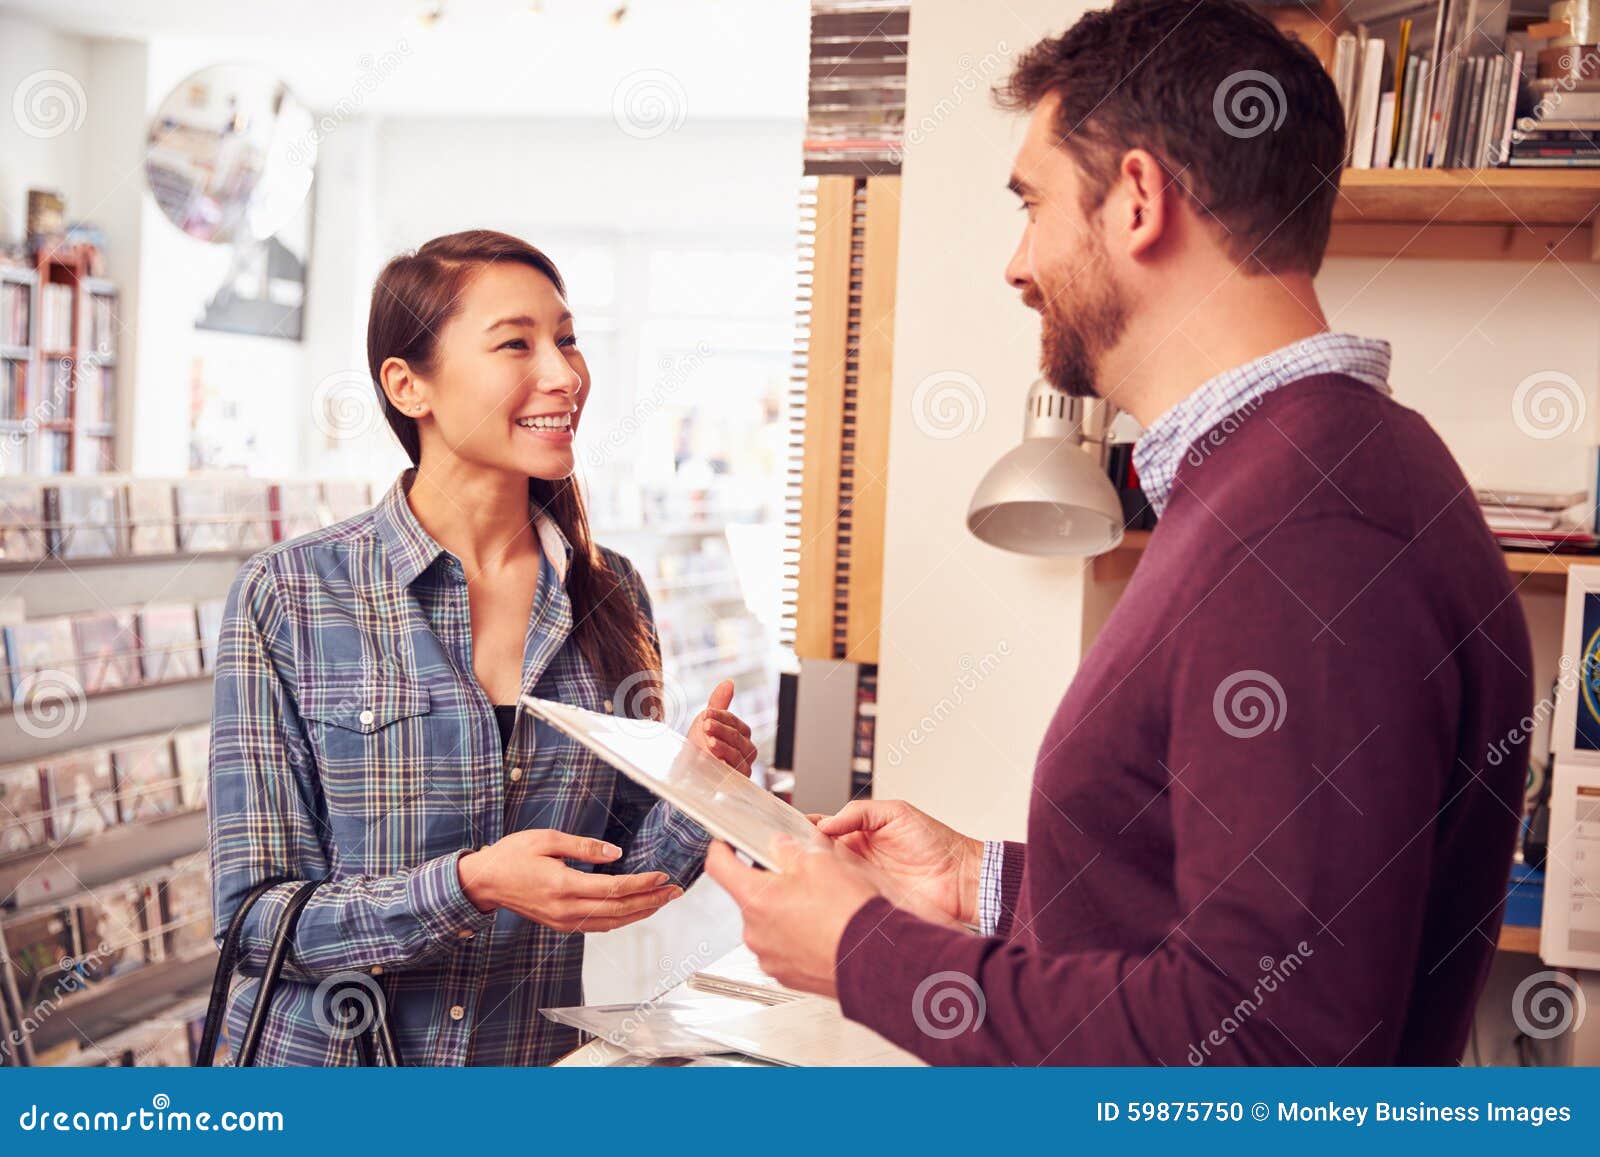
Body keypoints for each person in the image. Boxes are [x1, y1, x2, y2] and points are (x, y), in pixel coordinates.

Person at [707, 0, 1534, 1065]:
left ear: (1136, 198)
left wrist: (864, 952)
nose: (1016, 265)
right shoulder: (1299, 472)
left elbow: (1268, 1049)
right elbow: (1222, 923)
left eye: (1031, 204)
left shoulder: (1311, 525)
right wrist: (978, 885)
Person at [209, 229, 758, 1066]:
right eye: (517, 344)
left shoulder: (610, 594)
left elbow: (613, 879)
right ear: (408, 384)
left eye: (568, 340)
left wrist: (699, 789)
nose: (565, 374)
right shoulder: (289, 593)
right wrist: (472, 885)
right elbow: (256, 921)